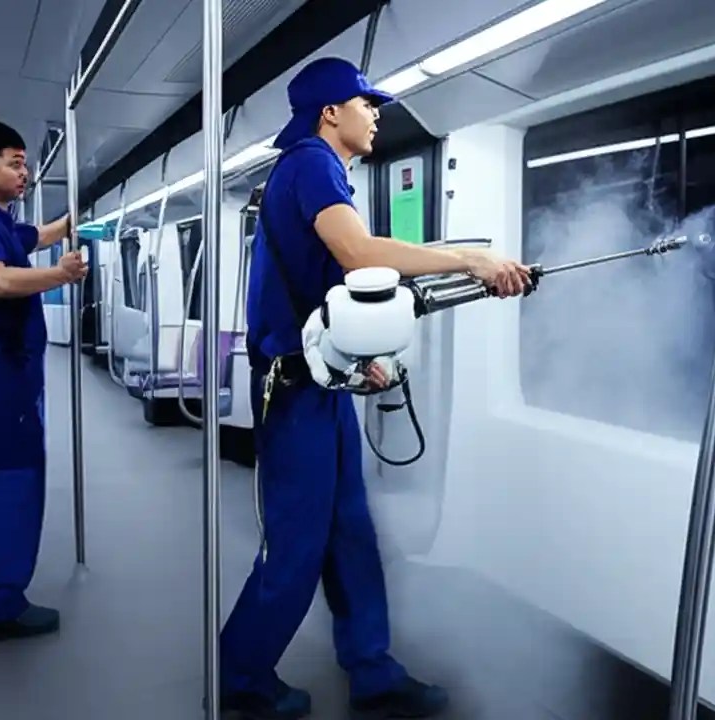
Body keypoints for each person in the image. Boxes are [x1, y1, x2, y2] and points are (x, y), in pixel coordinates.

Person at [218, 57, 531, 719]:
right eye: (367, 104)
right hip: (294, 396)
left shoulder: (316, 170)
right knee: (297, 545)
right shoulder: (310, 162)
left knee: (351, 536)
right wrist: (470, 258)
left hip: (319, 384)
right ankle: (240, 677)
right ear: (331, 112)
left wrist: (356, 360)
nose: (377, 114)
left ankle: (372, 669)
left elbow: (322, 292)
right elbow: (359, 255)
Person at [0, 118, 87, 643]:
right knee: (13, 482)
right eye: (14, 162)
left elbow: (37, 236)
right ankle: (1, 605)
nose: (24, 172)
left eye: (25, 162)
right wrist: (61, 275)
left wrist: (72, 221)